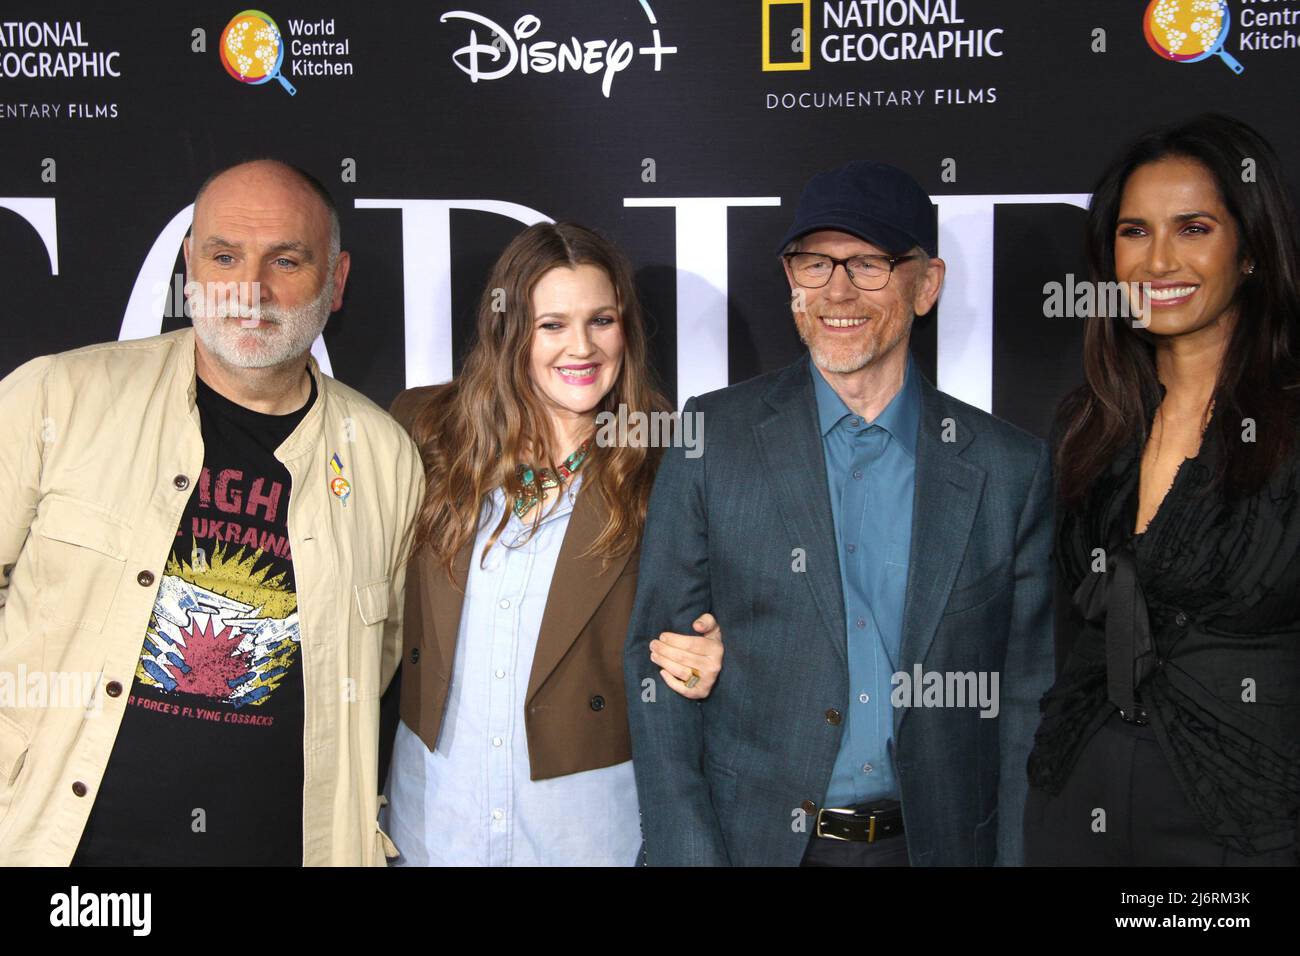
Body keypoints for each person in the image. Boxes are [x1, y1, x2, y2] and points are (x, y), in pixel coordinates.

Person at [625, 161, 1055, 867]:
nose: (837, 291)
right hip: (750, 849)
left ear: (928, 284)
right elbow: (657, 669)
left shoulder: (1009, 471)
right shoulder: (712, 438)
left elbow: (1027, 709)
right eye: (815, 263)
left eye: (869, 263)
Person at [0, 159, 424, 866]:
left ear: (336, 280)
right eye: (225, 256)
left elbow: (380, 665)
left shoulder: (385, 459)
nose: (249, 290)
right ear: (190, 264)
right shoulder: (59, 398)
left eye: (285, 259)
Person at [382, 221, 724, 866]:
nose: (582, 347)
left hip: (588, 835)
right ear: (511, 332)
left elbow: (743, 608)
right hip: (432, 827)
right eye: (552, 325)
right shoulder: (424, 430)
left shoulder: (673, 458)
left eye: (602, 320)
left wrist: (719, 648)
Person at [1025, 114, 1300, 866]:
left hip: (1252, 821)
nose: (1158, 261)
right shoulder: (1090, 422)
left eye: (1195, 228)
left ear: (1250, 251)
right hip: (1077, 803)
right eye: (1135, 232)